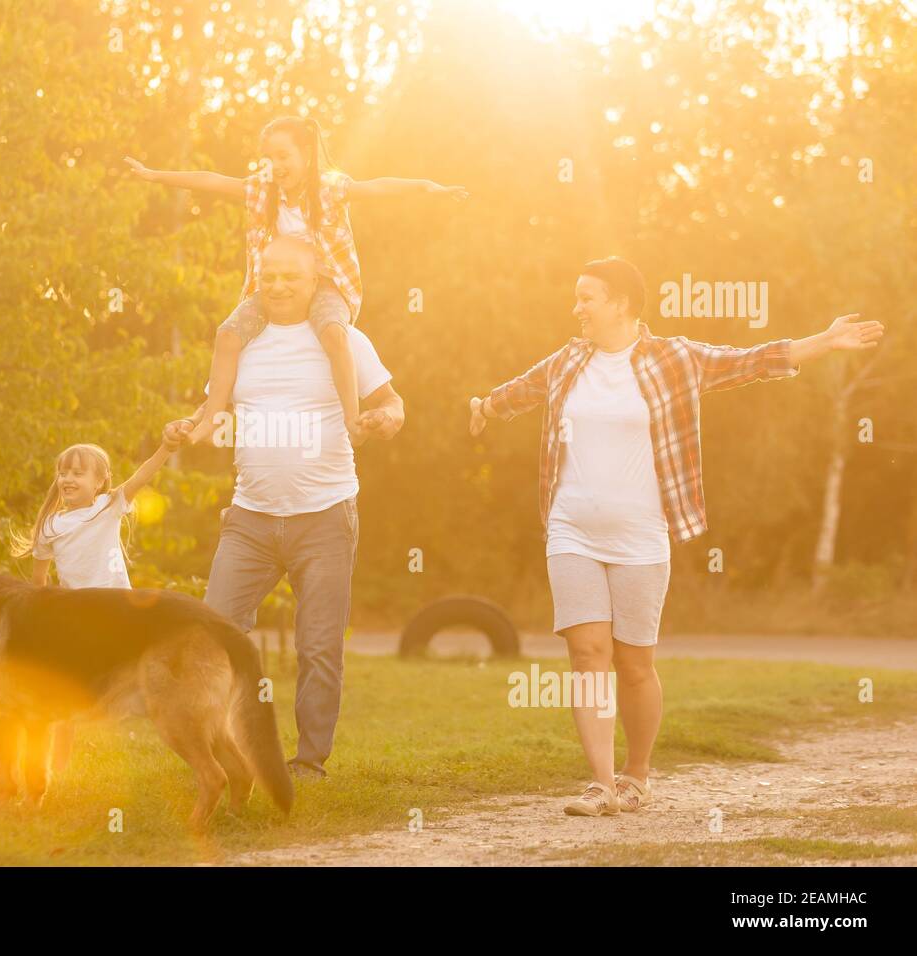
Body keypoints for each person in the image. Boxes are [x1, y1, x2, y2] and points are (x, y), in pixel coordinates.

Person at [469, 257, 884, 815]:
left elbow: (752, 361)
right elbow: (521, 390)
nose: (577, 308)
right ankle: (600, 784)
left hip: (642, 534)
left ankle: (636, 774)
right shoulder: (570, 359)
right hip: (571, 528)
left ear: (620, 302)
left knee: (633, 662)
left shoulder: (676, 359)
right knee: (587, 653)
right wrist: (484, 407)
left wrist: (826, 341)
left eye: (587, 297)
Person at [165, 235, 406, 779]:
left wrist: (387, 418)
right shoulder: (244, 340)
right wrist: (188, 427)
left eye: (290, 277)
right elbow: (211, 409)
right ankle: (226, 751)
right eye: (268, 275)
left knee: (318, 646)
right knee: (214, 632)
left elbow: (392, 402)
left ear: (315, 278)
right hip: (249, 517)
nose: (277, 285)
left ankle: (309, 762)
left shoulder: (344, 340)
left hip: (324, 516)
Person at [129, 114, 460, 446]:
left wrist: (424, 186)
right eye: (269, 158)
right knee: (227, 335)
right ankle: (210, 420)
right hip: (280, 285)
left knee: (332, 330)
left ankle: (351, 420)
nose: (275, 165)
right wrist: (154, 175)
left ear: (307, 153)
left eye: (284, 156)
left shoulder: (328, 190)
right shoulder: (262, 191)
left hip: (327, 282)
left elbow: (375, 187)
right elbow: (212, 180)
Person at [9, 436, 179, 773]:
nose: (67, 479)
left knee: (145, 681)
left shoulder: (108, 506)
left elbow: (142, 477)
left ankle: (180, 720)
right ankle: (58, 766)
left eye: (77, 473)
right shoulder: (50, 525)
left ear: (99, 481)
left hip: (117, 614)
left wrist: (166, 448)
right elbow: (39, 581)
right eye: (63, 472)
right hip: (76, 618)